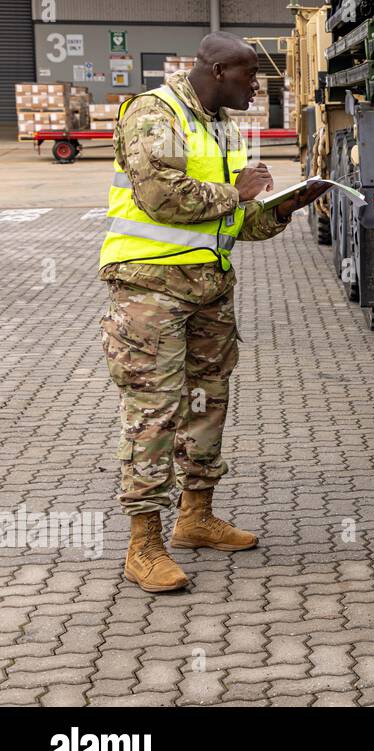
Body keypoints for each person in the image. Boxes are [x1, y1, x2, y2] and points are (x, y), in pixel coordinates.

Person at [98, 32, 329, 592]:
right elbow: (162, 197)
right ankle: (143, 545)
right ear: (221, 70)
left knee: (207, 404)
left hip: (208, 289)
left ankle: (195, 518)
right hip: (149, 290)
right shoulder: (155, 113)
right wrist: (235, 190)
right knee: (153, 413)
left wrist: (278, 209)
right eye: (251, 78)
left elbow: (234, 220)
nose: (256, 88)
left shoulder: (220, 125)